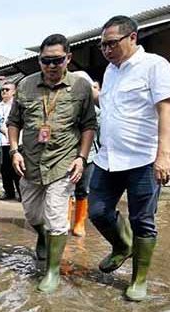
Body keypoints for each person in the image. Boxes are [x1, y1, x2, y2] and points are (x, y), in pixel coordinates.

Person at [89, 16, 170, 302]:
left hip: (143, 159)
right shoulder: (110, 72)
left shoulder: (155, 66)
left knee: (143, 220)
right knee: (98, 212)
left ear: (132, 38)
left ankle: (139, 279)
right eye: (103, 45)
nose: (106, 49)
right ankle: (122, 246)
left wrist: (163, 156)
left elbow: (167, 110)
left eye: (111, 43)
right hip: (108, 158)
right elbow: (109, 107)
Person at [8, 34, 97, 293]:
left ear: (68, 58)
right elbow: (14, 121)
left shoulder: (81, 87)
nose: (51, 66)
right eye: (45, 60)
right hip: (30, 162)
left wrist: (81, 157)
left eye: (57, 60)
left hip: (63, 163)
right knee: (33, 214)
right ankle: (43, 238)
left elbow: (88, 125)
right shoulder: (25, 85)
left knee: (56, 217)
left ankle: (52, 271)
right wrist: (14, 151)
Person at [69, 71, 101, 237]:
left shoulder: (97, 110)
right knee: (66, 189)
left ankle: (79, 222)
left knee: (83, 189)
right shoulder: (66, 104)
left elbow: (101, 134)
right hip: (66, 154)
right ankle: (65, 221)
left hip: (89, 155)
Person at [0, 81, 21, 202]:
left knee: (17, 169)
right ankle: (9, 192)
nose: (4, 92)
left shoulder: (17, 105)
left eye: (7, 89)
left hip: (16, 143)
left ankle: (21, 192)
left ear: (14, 92)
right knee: (4, 169)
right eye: (3, 90)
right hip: (2, 142)